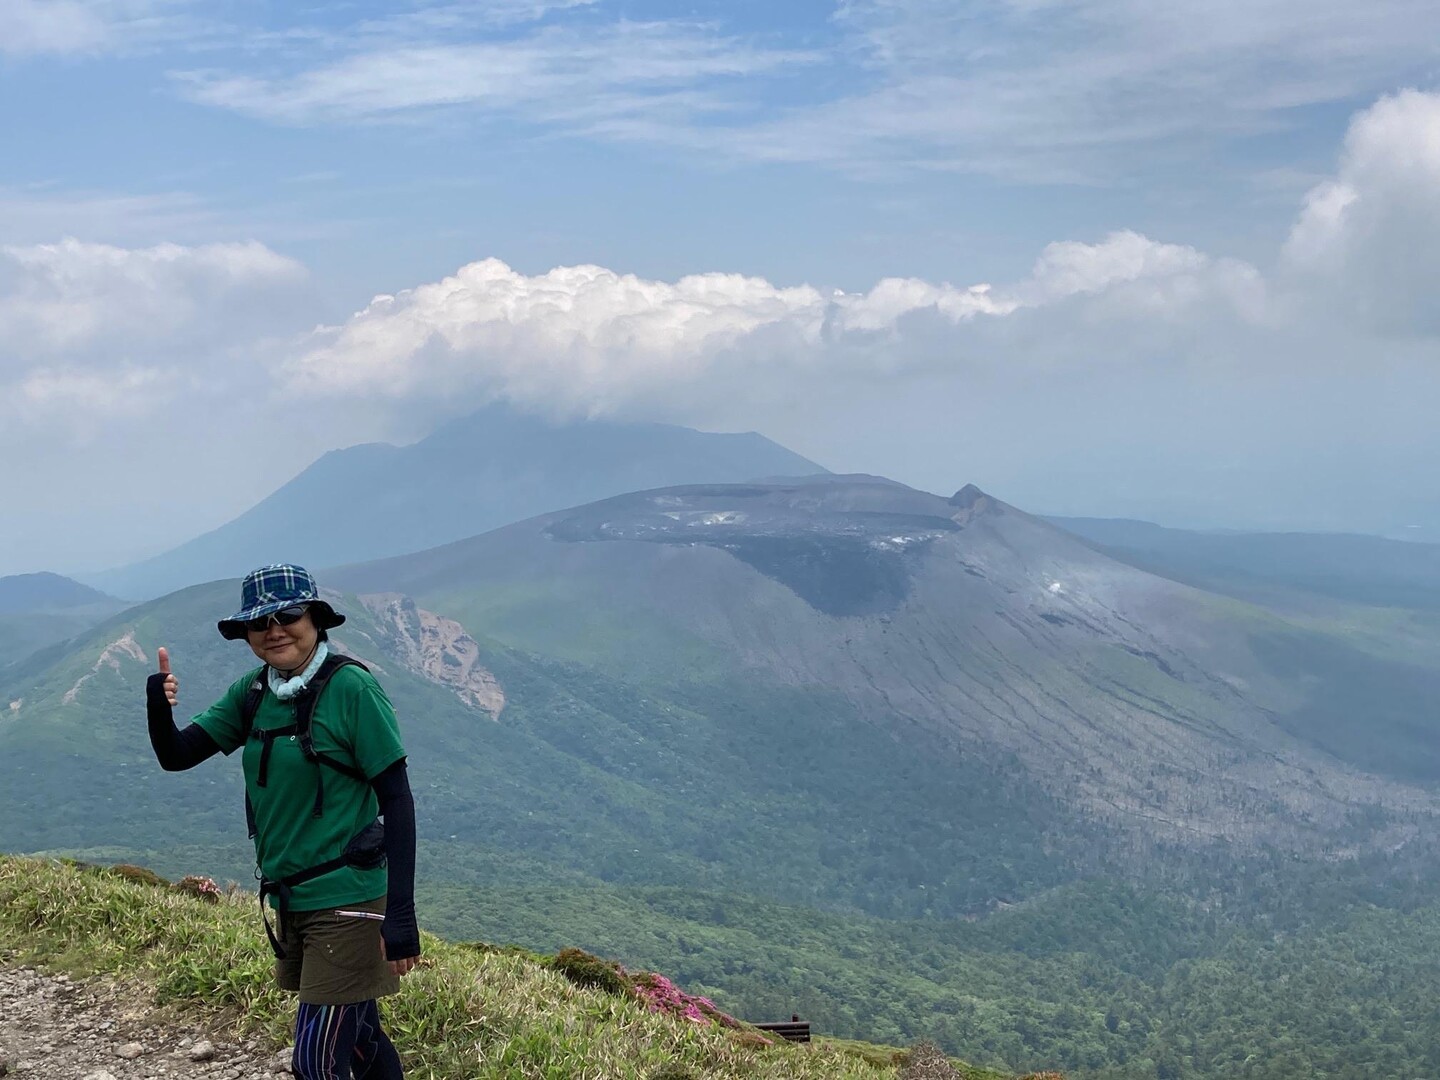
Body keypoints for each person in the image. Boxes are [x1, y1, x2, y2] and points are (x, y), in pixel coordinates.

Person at [145, 564, 419, 1080]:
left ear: (316, 619)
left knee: (315, 1062)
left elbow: (398, 801)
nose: (274, 630)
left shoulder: (353, 689)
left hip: (349, 900)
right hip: (291, 898)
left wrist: (400, 914)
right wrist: (158, 706)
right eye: (258, 622)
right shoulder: (255, 692)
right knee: (359, 1038)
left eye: (288, 615)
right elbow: (178, 755)